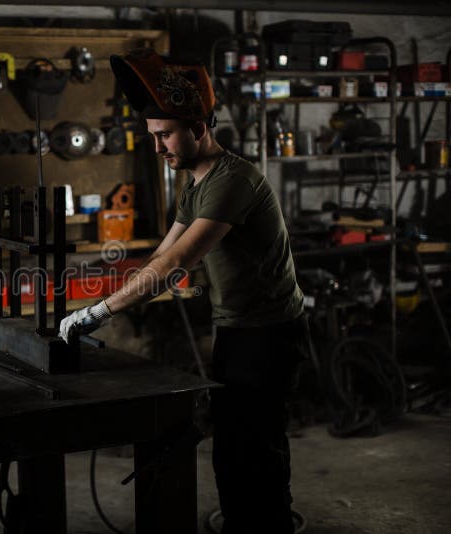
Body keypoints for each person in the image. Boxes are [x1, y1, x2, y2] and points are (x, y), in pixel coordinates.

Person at [59, 48, 310, 534]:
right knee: (231, 448)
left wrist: (95, 316)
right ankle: (245, 524)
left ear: (198, 128)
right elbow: (162, 255)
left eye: (165, 136)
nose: (158, 148)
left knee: (258, 450)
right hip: (236, 329)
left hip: (270, 334)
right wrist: (108, 299)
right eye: (153, 137)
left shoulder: (232, 180)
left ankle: (267, 527)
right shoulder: (195, 184)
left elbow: (176, 262)